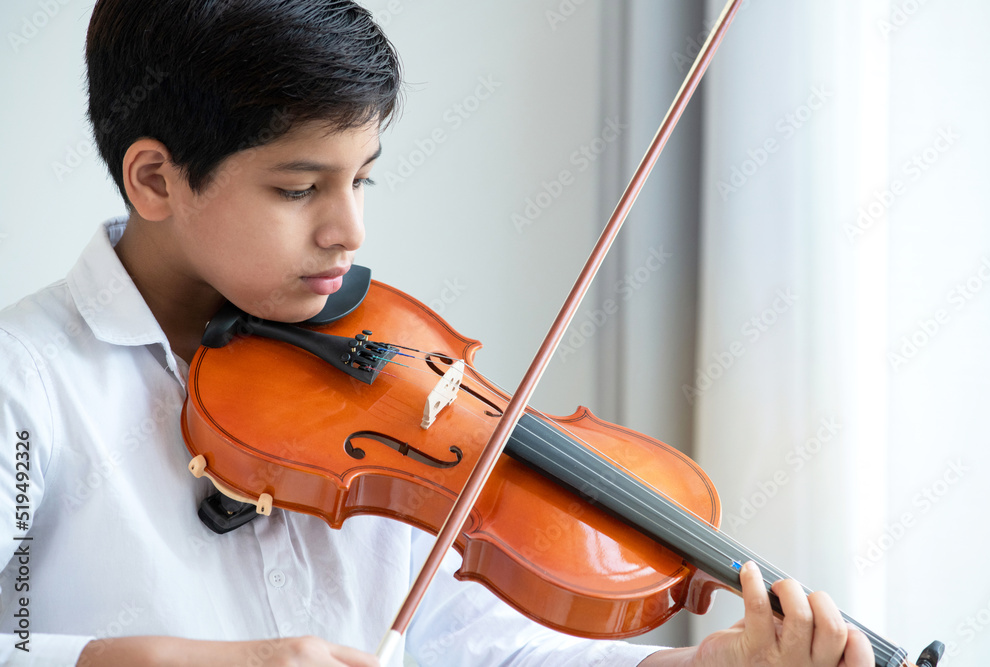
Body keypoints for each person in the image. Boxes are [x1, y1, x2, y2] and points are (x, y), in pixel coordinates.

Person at [0, 1, 876, 665]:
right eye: (299, 189)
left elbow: (480, 648)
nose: (350, 231)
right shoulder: (28, 382)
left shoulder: (385, 385)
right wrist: (130, 657)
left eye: (363, 180)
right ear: (155, 178)